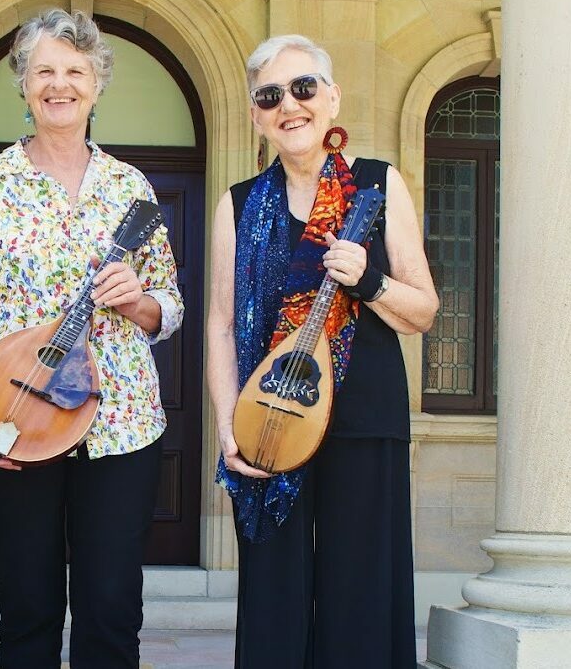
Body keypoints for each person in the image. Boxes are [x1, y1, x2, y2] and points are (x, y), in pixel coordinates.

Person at [0, 9, 183, 668]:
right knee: (27, 605)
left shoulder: (130, 187)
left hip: (120, 420)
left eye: (75, 71)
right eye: (44, 69)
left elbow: (170, 306)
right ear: (22, 83)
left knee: (108, 607)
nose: (59, 84)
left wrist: (140, 302)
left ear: (96, 84)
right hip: (14, 410)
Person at [207, 34, 439, 668]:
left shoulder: (378, 184)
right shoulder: (238, 204)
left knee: (360, 595)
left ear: (332, 98)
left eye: (304, 87)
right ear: (257, 115)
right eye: (271, 95)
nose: (291, 104)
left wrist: (369, 280)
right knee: (273, 596)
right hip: (271, 420)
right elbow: (221, 325)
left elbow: (422, 309)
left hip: (364, 416)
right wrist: (230, 429)